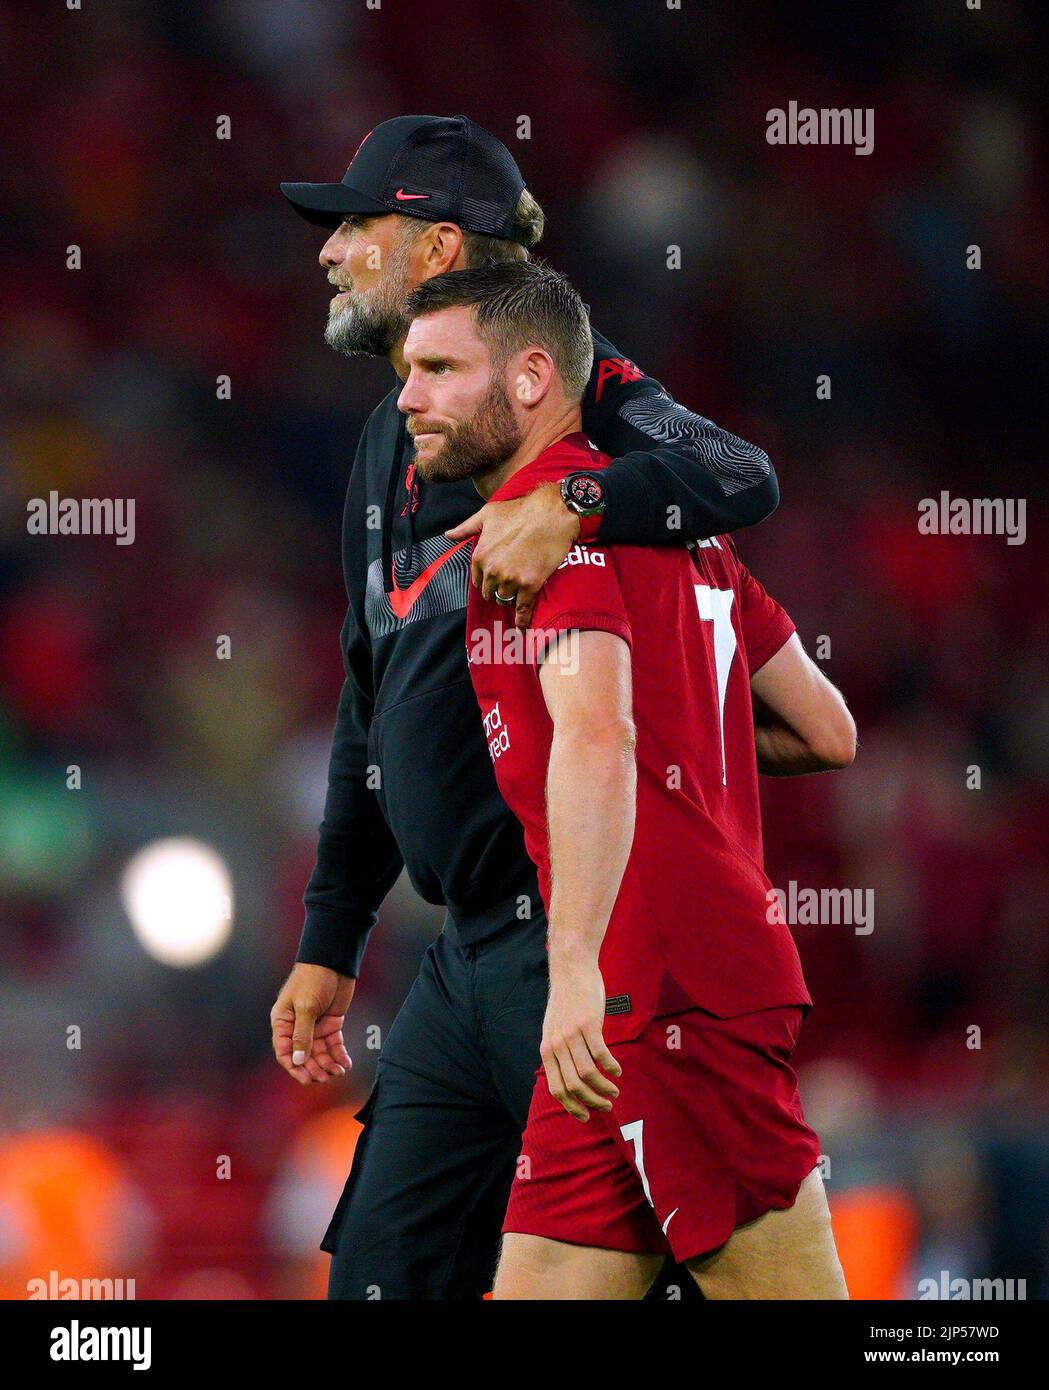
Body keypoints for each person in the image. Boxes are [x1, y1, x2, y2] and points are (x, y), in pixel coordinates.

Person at [271, 115, 781, 1301]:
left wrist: (580, 502)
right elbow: (371, 696)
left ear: (438, 245)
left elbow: (740, 475)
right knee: (383, 1274)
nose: (328, 251)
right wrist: (330, 935)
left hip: (586, 937)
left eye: (355, 224)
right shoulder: (382, 442)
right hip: (463, 959)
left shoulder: (584, 389)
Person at [398, 258, 854, 1299]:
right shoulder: (683, 530)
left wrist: (569, 972)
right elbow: (825, 729)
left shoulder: (539, 528)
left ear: (525, 381)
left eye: (436, 369)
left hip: (655, 982)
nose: (408, 397)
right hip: (638, 996)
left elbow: (593, 736)